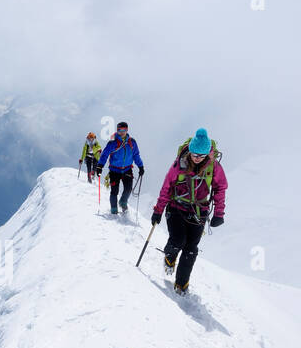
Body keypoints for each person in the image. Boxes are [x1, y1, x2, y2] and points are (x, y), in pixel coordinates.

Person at [150, 128, 227, 293]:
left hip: (199, 211)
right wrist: (158, 210)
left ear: (207, 153)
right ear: (190, 151)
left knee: (191, 249)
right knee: (178, 240)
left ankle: (181, 284)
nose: (198, 158)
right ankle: (169, 257)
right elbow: (166, 187)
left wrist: (219, 213)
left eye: (202, 155)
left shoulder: (213, 166)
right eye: (194, 154)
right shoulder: (180, 164)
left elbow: (221, 188)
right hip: (176, 207)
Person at [96, 121, 144, 214]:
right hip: (114, 171)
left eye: (124, 130)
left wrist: (141, 166)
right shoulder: (113, 143)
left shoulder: (132, 142)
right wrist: (100, 166)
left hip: (127, 169)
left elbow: (136, 155)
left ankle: (123, 202)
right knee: (114, 191)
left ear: (127, 130)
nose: (122, 132)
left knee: (128, 188)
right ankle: (114, 210)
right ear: (117, 130)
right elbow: (104, 154)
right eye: (119, 130)